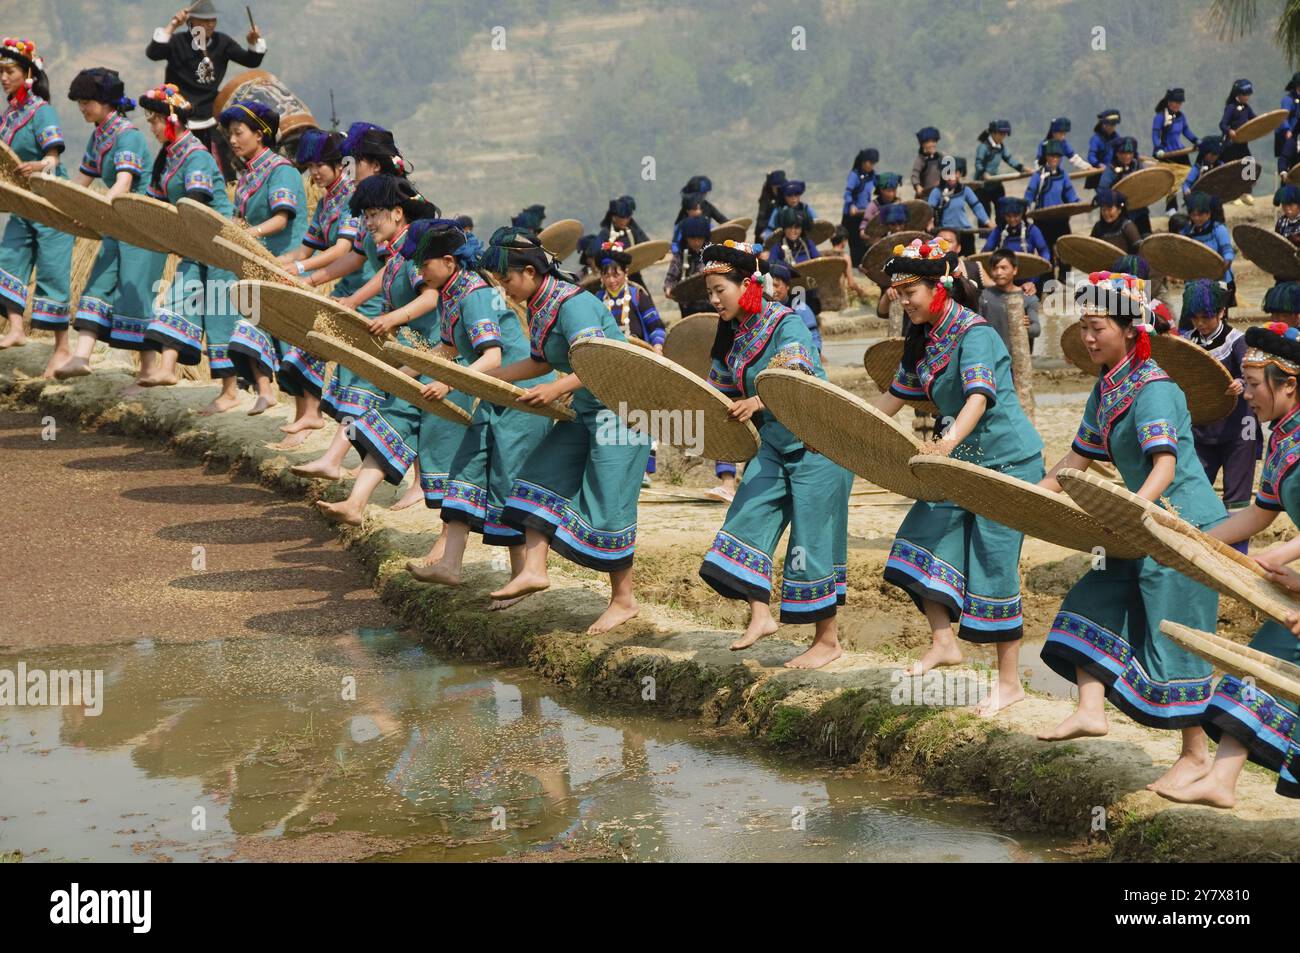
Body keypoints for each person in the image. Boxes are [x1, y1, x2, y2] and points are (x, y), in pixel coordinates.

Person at [1038, 271, 1225, 794]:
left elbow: (1163, 467)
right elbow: (1079, 455)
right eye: (1083, 327)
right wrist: (1032, 498)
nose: (1087, 337)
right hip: (1138, 523)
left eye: (1096, 326)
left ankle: (1195, 755)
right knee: (1091, 597)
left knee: (1175, 636)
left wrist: (1130, 512)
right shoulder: (1108, 386)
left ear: (1128, 328)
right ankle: (1091, 709)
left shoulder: (1154, 388)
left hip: (1181, 527)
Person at [872, 236, 1044, 714]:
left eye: (910, 292)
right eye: (897, 292)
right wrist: (842, 432)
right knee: (920, 539)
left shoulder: (976, 333)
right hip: (959, 459)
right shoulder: (923, 340)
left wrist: (946, 442)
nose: (902, 301)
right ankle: (944, 642)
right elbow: (888, 403)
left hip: (1007, 461)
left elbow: (977, 398)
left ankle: (1008, 683)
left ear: (939, 285)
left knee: (993, 562)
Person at [478, 227, 653, 635]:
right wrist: (494, 380)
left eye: (507, 281)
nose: (504, 291)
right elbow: (540, 362)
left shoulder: (572, 304)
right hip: (588, 410)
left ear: (529, 271)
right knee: (540, 475)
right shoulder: (539, 307)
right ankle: (535, 571)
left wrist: (555, 389)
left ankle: (623, 601)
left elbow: (597, 361)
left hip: (623, 412)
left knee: (609, 503)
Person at [1156, 323, 1300, 807]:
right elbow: (1260, 513)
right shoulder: (1282, 439)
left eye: (1254, 386)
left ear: (1289, 385)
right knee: (1257, 666)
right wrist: (1192, 542)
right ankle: (1222, 782)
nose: (1246, 395)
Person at [697, 240, 853, 669]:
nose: (713, 300)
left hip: (820, 444)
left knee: (812, 541)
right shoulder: (730, 336)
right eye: (708, 292)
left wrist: (757, 401)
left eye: (719, 290)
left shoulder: (786, 322)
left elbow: (794, 371)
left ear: (747, 284)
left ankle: (828, 641)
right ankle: (760, 616)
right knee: (745, 519)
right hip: (775, 446)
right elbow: (719, 392)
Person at [400, 220, 555, 604]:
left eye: (423, 263)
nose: (417, 271)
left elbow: (492, 356)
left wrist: (449, 383)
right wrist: (399, 372)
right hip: (490, 395)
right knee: (466, 468)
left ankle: (522, 579)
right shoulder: (452, 295)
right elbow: (449, 351)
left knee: (508, 480)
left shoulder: (474, 296)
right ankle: (450, 565)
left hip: (520, 396)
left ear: (449, 262)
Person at [315, 178, 458, 526]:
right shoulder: (398, 253)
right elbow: (384, 276)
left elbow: (430, 298)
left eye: (374, 214)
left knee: (395, 421)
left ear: (397, 214)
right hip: (413, 355)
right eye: (364, 215)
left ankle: (361, 490)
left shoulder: (416, 254)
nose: (368, 223)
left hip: (433, 355)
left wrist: (390, 318)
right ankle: (356, 499)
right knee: (392, 423)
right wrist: (351, 301)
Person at [288, 121, 410, 482]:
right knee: (355, 386)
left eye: (356, 162)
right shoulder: (371, 204)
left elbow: (391, 270)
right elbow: (355, 257)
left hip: (390, 310)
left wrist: (354, 301)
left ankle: (335, 458)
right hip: (374, 304)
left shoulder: (396, 204)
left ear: (373, 164)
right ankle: (337, 458)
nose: (352, 169)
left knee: (365, 387)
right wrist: (309, 279)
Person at [52, 68, 168, 390]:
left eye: (87, 101)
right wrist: (62, 203)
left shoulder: (127, 135)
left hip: (142, 226)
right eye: (80, 103)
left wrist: (96, 208)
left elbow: (124, 182)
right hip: (116, 224)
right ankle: (82, 357)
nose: (83, 108)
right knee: (98, 284)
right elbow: (82, 181)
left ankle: (148, 370)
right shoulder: (98, 136)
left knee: (135, 292)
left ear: (106, 102)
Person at [135, 83, 242, 416]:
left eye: (153, 120)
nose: (151, 127)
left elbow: (195, 204)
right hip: (194, 245)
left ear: (171, 121)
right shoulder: (169, 157)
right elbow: (155, 202)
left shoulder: (195, 155)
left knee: (220, 315)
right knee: (178, 297)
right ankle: (167, 368)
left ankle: (231, 392)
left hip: (217, 244)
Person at [274, 129, 366, 448]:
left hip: (358, 286)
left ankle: (312, 420)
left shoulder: (353, 197)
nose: (313, 173)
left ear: (339, 164)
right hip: (336, 281)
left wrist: (301, 271)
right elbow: (304, 249)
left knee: (315, 349)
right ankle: (306, 419)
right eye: (310, 166)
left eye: (319, 166)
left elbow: (343, 249)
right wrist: (272, 263)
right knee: (299, 349)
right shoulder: (328, 199)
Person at [219, 99, 308, 416]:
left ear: (260, 134)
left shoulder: (280, 171)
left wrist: (247, 235)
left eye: (238, 132)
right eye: (229, 134)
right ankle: (265, 390)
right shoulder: (245, 179)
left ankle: (304, 414)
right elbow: (240, 220)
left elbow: (281, 219)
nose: (232, 140)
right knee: (246, 326)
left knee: (291, 345)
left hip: (285, 265)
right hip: (258, 267)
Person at [0, 37, 75, 377]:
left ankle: (62, 348)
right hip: (25, 203)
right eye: (1, 72)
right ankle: (15, 328)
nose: (3, 77)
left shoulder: (41, 111)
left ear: (27, 73)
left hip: (53, 205)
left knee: (52, 273)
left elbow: (53, 159)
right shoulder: (9, 114)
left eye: (10, 71)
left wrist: (37, 166)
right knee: (9, 257)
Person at [145, 1, 266, 179]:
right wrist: (172, 25)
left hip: (210, 115)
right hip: (180, 114)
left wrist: (253, 42)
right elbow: (153, 53)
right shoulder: (178, 42)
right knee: (170, 163)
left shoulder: (222, 43)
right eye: (204, 20)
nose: (210, 24)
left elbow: (251, 61)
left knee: (224, 167)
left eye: (213, 20)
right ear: (191, 21)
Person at [1179, 279, 1257, 536]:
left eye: (1206, 317)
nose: (1200, 324)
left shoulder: (1238, 341)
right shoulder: (1187, 341)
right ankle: (1197, 539)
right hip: (1202, 428)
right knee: (1195, 487)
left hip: (1238, 430)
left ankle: (1239, 549)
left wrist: (1240, 381)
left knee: (1237, 496)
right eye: (1195, 318)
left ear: (1222, 313)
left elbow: (1252, 373)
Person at [1025, 140, 1079, 280]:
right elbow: (1030, 194)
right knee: (1045, 250)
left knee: (1066, 247)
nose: (1054, 159)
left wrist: (1076, 203)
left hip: (1060, 219)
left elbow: (1070, 193)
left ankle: (1065, 276)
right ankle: (1047, 279)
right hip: (1043, 220)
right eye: (1051, 156)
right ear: (1046, 157)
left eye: (1057, 156)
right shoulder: (1038, 176)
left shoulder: (1064, 175)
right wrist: (1025, 207)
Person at [978, 249, 1041, 358]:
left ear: (1015, 270)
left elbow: (1036, 330)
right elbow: (976, 328)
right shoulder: (983, 297)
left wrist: (1026, 327)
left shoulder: (1027, 298)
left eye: (1003, 268)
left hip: (1018, 359)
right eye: (995, 268)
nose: (999, 273)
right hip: (991, 357)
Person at [1182, 192, 1235, 305]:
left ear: (1208, 214)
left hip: (1219, 280)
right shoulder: (1187, 231)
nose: (1196, 218)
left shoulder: (1218, 229)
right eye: (1193, 215)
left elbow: (1228, 251)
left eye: (1200, 215)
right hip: (1194, 279)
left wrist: (1224, 265)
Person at [928, 157, 987, 255]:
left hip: (965, 233)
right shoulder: (937, 192)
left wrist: (987, 222)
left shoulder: (965, 190)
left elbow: (977, 206)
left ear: (959, 173)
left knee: (968, 261)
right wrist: (930, 224)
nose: (952, 176)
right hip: (945, 234)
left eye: (955, 172)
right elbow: (929, 210)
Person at [1098, 137, 1152, 235]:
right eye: (1123, 153)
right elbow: (1102, 191)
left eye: (1129, 153)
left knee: (1145, 236)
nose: (1126, 156)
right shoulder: (1111, 170)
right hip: (1119, 214)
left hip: (1140, 209)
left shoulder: (1138, 166)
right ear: (1117, 154)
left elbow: (1145, 181)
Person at [973, 119, 1025, 216]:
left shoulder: (1001, 147)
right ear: (993, 133)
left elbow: (1010, 159)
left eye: (1004, 135)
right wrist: (984, 173)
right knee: (985, 212)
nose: (1002, 137)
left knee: (1002, 209)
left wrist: (1022, 168)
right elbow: (978, 164)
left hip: (995, 182)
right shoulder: (983, 147)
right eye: (1001, 134)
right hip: (982, 186)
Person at [663, 215, 711, 316]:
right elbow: (670, 279)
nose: (696, 243)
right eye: (692, 239)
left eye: (700, 238)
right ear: (686, 238)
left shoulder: (713, 254)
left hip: (712, 305)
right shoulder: (680, 256)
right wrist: (668, 288)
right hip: (688, 309)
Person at [982, 196, 1049, 262]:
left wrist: (1044, 262)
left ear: (1022, 214)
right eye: (1008, 216)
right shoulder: (999, 230)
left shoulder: (1032, 230)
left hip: (1026, 267)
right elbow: (987, 249)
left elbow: (1043, 250)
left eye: (1015, 216)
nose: (1012, 219)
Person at [841, 149, 877, 270]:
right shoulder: (854, 175)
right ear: (862, 162)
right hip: (852, 215)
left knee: (865, 241)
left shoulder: (872, 177)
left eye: (873, 163)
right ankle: (854, 267)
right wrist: (851, 205)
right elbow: (847, 193)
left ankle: (865, 267)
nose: (871, 165)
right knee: (854, 242)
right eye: (869, 162)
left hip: (864, 214)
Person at [1090, 188, 1143, 256]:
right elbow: (1091, 248)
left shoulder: (1128, 226)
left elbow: (1140, 250)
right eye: (1103, 210)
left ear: (1119, 210)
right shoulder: (1098, 227)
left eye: (1109, 209)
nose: (1106, 213)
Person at [1152, 87, 1197, 161]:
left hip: (1179, 151)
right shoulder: (1160, 117)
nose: (1178, 105)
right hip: (1164, 153)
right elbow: (1155, 136)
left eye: (1180, 103)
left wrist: (1196, 140)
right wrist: (1158, 148)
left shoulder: (1181, 116)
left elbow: (1186, 131)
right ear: (1169, 102)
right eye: (1176, 102)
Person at [1219, 78, 1257, 165]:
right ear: (1238, 94)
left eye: (1248, 95)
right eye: (1245, 95)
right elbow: (1222, 124)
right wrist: (1229, 131)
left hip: (1242, 144)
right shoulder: (1231, 107)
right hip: (1230, 145)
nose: (1247, 97)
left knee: (1250, 166)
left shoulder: (1246, 108)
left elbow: (1255, 119)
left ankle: (1248, 179)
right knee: (1231, 169)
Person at [1086, 109, 1122, 188]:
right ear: (1104, 125)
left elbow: (1121, 150)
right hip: (1099, 174)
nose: (1112, 128)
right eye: (1110, 125)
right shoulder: (1096, 139)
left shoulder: (1116, 137)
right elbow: (1091, 156)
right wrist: (1099, 165)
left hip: (1113, 172)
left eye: (1114, 125)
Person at [754, 169, 787, 244]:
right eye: (776, 187)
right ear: (772, 186)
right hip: (765, 229)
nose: (778, 189)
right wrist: (763, 231)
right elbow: (762, 217)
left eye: (780, 187)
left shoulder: (786, 195)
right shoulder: (766, 198)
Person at [1277, 72, 1300, 175]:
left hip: (1296, 133)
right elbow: (1283, 116)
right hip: (1288, 133)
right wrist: (1287, 130)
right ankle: (1283, 173)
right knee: (1287, 154)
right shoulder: (1288, 100)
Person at [911, 126, 943, 198]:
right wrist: (918, 186)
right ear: (923, 145)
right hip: (926, 196)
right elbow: (914, 174)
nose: (932, 144)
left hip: (940, 193)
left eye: (933, 141)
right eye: (928, 142)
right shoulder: (921, 159)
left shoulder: (940, 157)